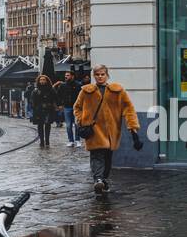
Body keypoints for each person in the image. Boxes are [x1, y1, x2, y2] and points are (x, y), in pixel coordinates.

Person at [74, 64, 142, 195]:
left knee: (107, 158)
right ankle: (98, 179)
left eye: (102, 74)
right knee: (96, 155)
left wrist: (133, 129)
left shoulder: (118, 91)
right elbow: (77, 107)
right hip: (94, 130)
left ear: (107, 75)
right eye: (97, 74)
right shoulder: (86, 91)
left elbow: (129, 109)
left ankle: (103, 179)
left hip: (112, 131)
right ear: (94, 76)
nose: (100, 77)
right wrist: (82, 120)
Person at [30, 72, 56, 148]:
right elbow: (32, 101)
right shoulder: (35, 91)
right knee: (40, 125)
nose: (42, 81)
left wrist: (55, 106)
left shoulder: (51, 89)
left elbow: (55, 98)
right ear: (38, 81)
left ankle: (47, 140)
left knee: (47, 125)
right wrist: (34, 109)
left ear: (47, 80)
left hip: (48, 109)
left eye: (44, 79)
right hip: (39, 110)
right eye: (41, 79)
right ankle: (41, 141)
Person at [55, 70, 80, 147]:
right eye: (65, 75)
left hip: (76, 107)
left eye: (68, 75)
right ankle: (71, 140)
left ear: (72, 76)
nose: (66, 76)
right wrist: (59, 104)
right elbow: (58, 95)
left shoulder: (78, 85)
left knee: (77, 125)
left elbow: (81, 96)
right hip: (67, 107)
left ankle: (77, 140)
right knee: (68, 125)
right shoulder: (63, 85)